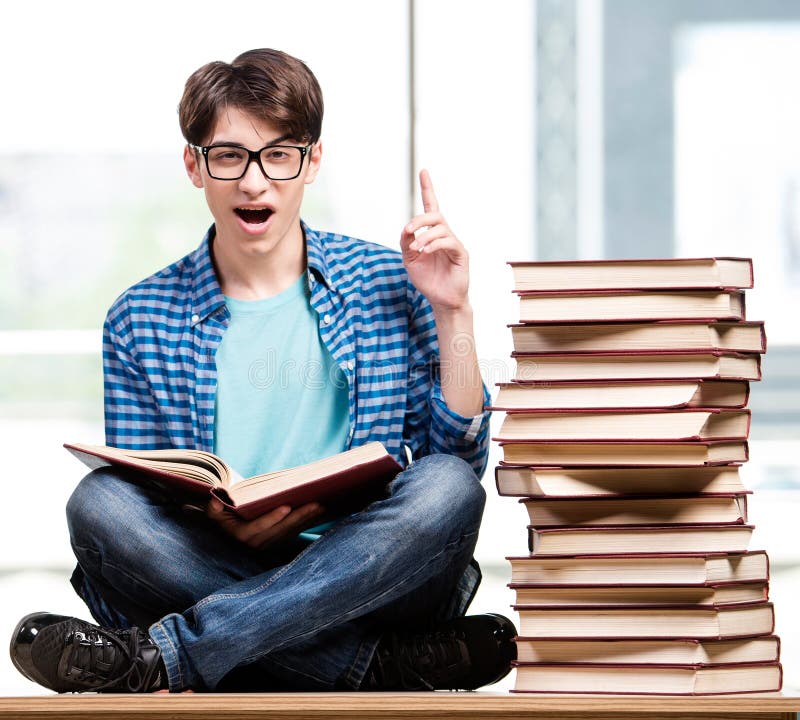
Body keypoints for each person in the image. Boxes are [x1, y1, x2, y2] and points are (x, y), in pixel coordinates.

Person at [10, 48, 516, 694]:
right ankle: (373, 666)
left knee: (445, 486)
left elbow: (457, 462)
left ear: (313, 161)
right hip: (212, 560)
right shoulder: (138, 317)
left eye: (279, 154)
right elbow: (146, 497)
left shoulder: (391, 281)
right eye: (230, 156)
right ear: (194, 164)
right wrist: (221, 519)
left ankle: (170, 656)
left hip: (365, 568)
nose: (255, 182)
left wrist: (454, 312)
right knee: (101, 502)